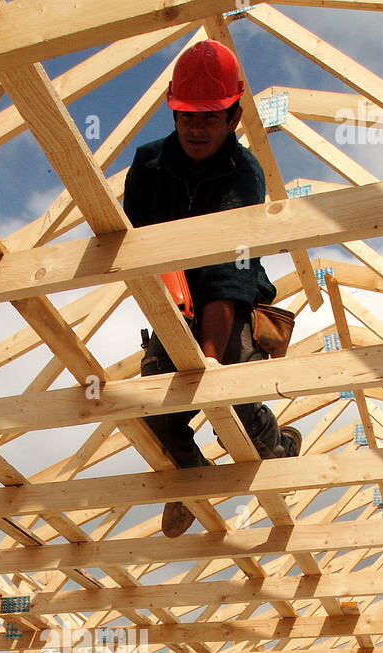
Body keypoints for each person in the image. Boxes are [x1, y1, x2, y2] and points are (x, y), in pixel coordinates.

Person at [124, 39, 301, 538]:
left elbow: (227, 272)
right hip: (173, 298)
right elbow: (136, 247)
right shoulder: (149, 166)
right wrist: (170, 317)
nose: (196, 128)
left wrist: (208, 361)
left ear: (234, 116)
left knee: (233, 398)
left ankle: (280, 448)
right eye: (186, 117)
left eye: (209, 117)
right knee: (156, 405)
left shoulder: (243, 173)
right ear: (174, 113)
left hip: (228, 297)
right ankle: (190, 479)